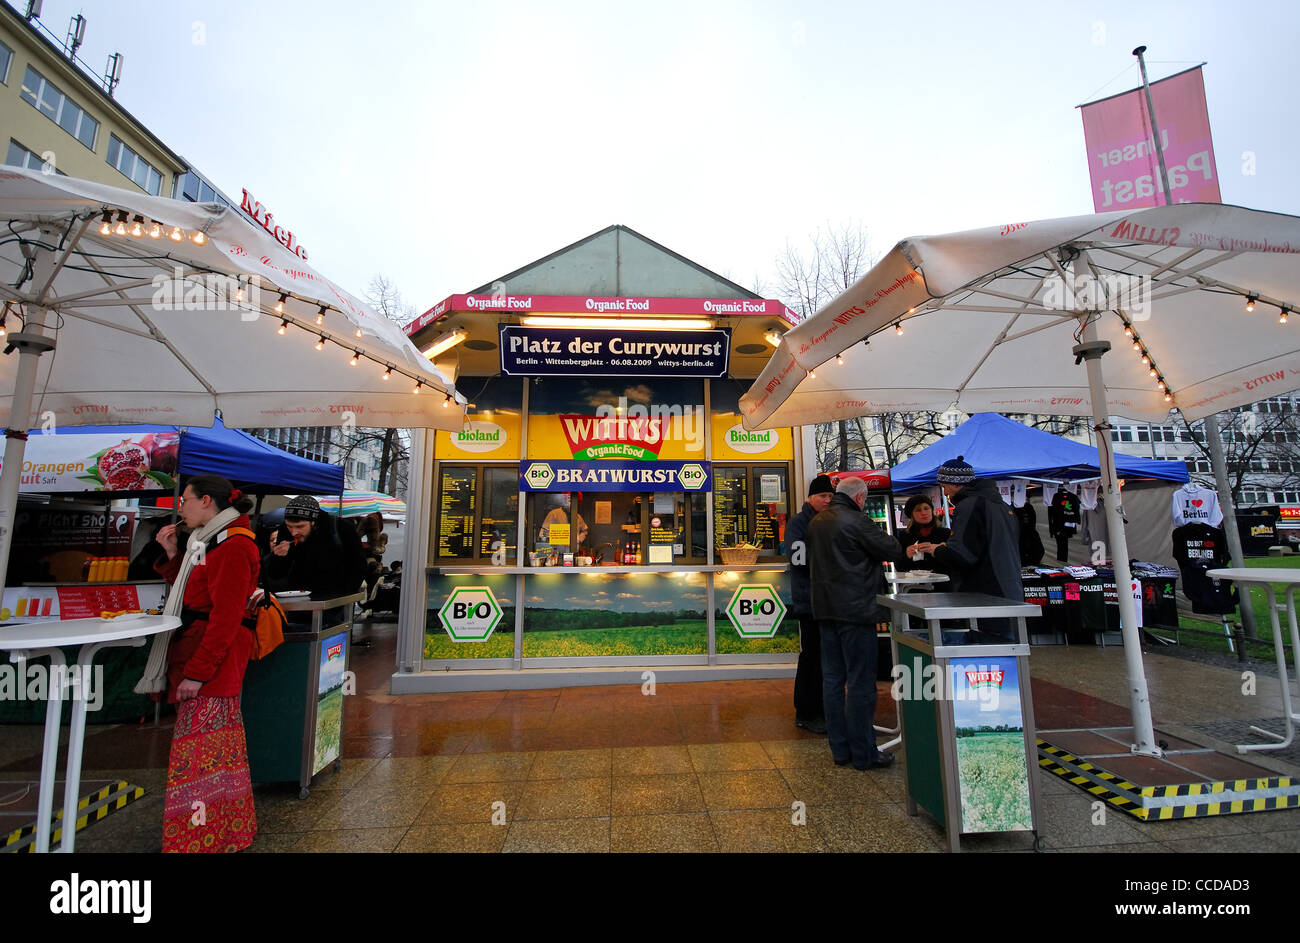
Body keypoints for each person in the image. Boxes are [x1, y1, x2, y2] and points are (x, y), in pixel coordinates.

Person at [153, 475, 259, 853]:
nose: (180, 507)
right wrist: (171, 556)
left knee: (199, 755)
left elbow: (224, 618)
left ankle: (198, 838)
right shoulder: (210, 540)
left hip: (212, 664)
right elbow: (197, 588)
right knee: (217, 751)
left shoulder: (231, 545)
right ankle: (226, 831)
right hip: (209, 659)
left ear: (208, 502)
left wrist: (197, 673)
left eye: (186, 499)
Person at [807, 475, 903, 770]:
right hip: (856, 611)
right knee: (861, 682)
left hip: (825, 610)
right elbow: (892, 549)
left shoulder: (817, 521)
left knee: (833, 681)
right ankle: (864, 753)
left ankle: (841, 750)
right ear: (860, 498)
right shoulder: (856, 521)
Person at [931, 456, 1024, 632]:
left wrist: (938, 550)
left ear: (956, 484)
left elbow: (962, 555)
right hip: (1010, 589)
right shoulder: (1002, 506)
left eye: (944, 487)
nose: (944, 493)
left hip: (986, 594)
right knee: (1008, 650)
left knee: (989, 651)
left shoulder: (969, 506)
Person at [263, 495, 367, 625]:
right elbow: (276, 573)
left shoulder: (341, 528)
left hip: (333, 605)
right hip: (298, 603)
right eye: (290, 526)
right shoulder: (286, 531)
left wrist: (340, 599)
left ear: (313, 521)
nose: (294, 532)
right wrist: (279, 557)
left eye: (300, 526)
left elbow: (358, 567)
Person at [786, 473, 836, 735]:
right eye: (822, 496)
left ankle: (821, 710)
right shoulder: (798, 523)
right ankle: (806, 713)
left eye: (830, 496)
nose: (827, 500)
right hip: (809, 601)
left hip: (828, 600)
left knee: (824, 658)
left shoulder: (829, 520)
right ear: (810, 498)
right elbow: (797, 558)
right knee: (811, 658)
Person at [897, 493, 951, 572]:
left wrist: (941, 550)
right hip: (914, 582)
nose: (924, 513)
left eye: (926, 508)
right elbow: (899, 567)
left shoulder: (945, 533)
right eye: (918, 510)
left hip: (942, 582)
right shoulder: (905, 536)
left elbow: (955, 561)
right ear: (912, 515)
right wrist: (907, 556)